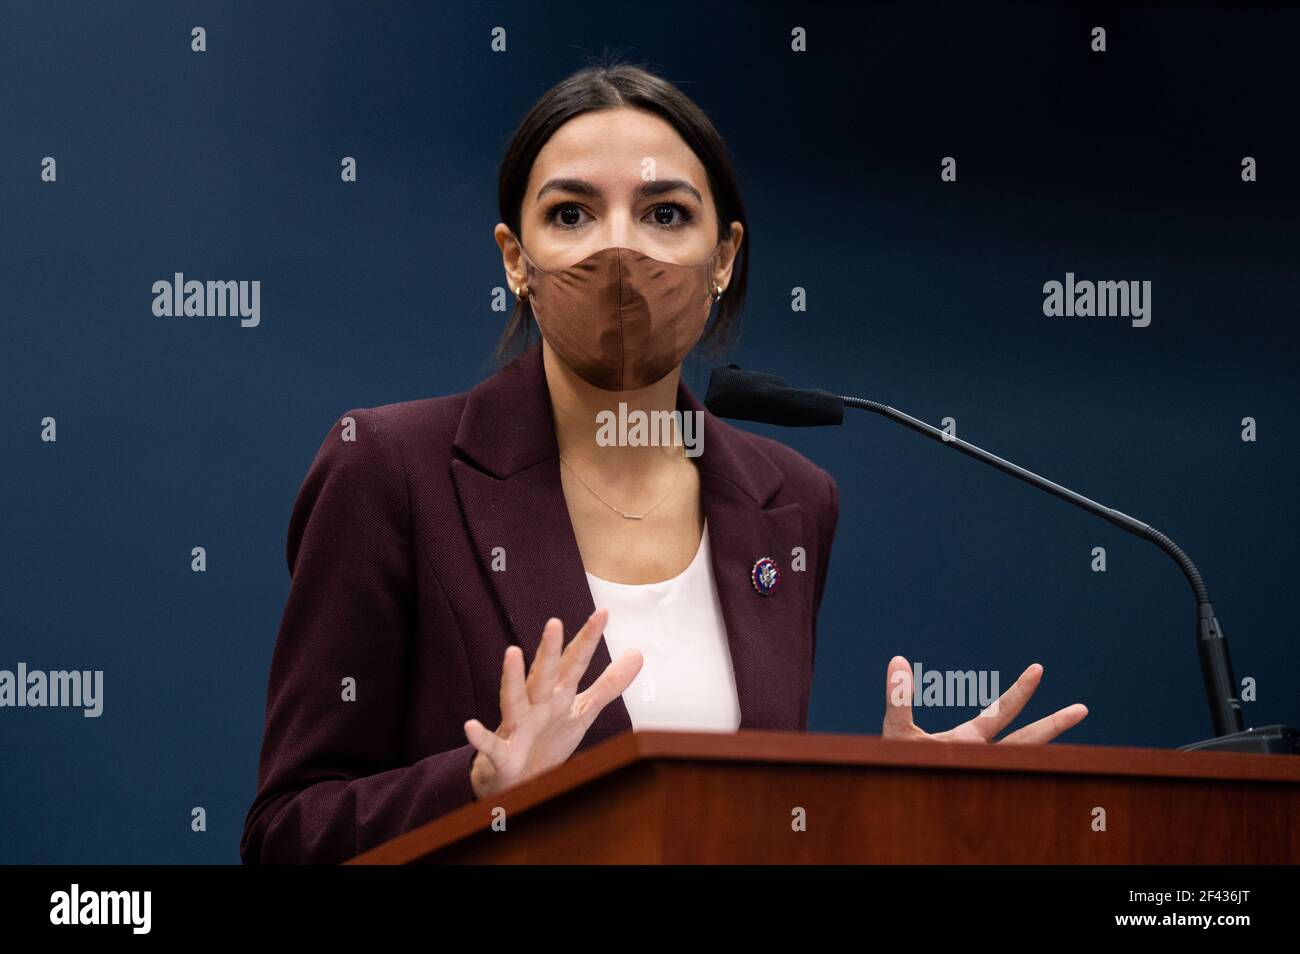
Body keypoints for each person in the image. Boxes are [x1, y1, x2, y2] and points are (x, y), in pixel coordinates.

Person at [240, 61, 1086, 865]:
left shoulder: (790, 501)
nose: (620, 250)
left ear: (724, 257)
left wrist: (888, 816)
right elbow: (287, 832)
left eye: (666, 214)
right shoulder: (390, 470)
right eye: (571, 214)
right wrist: (478, 787)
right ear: (515, 259)